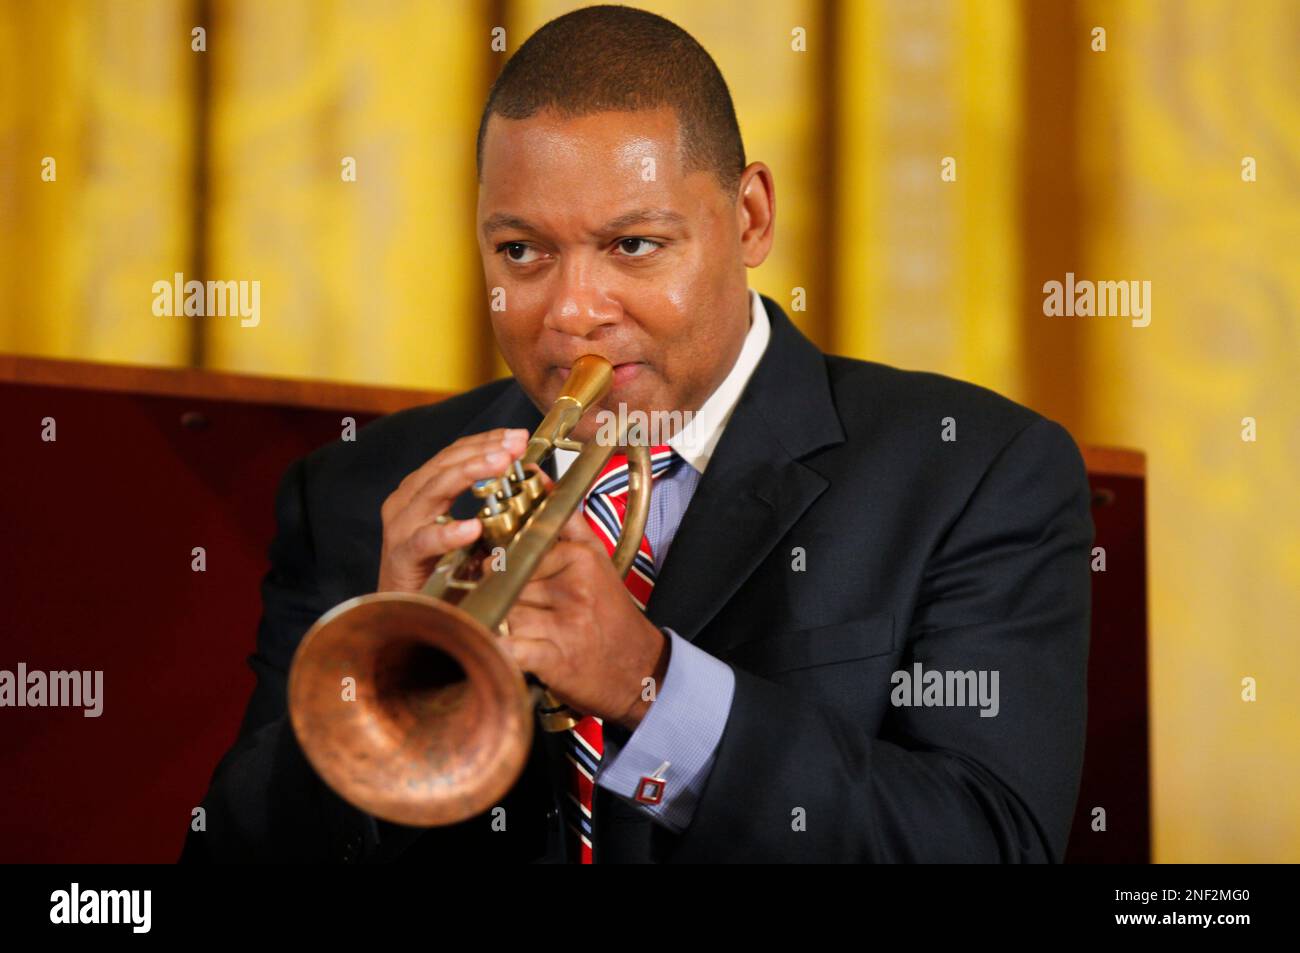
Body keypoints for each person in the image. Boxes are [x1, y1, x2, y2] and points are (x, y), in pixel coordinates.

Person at [182, 4, 1093, 864]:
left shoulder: (975, 471)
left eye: (633, 246)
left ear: (750, 218)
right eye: (522, 252)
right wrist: (376, 689)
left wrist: (652, 685)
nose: (572, 312)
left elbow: (992, 840)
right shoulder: (357, 492)